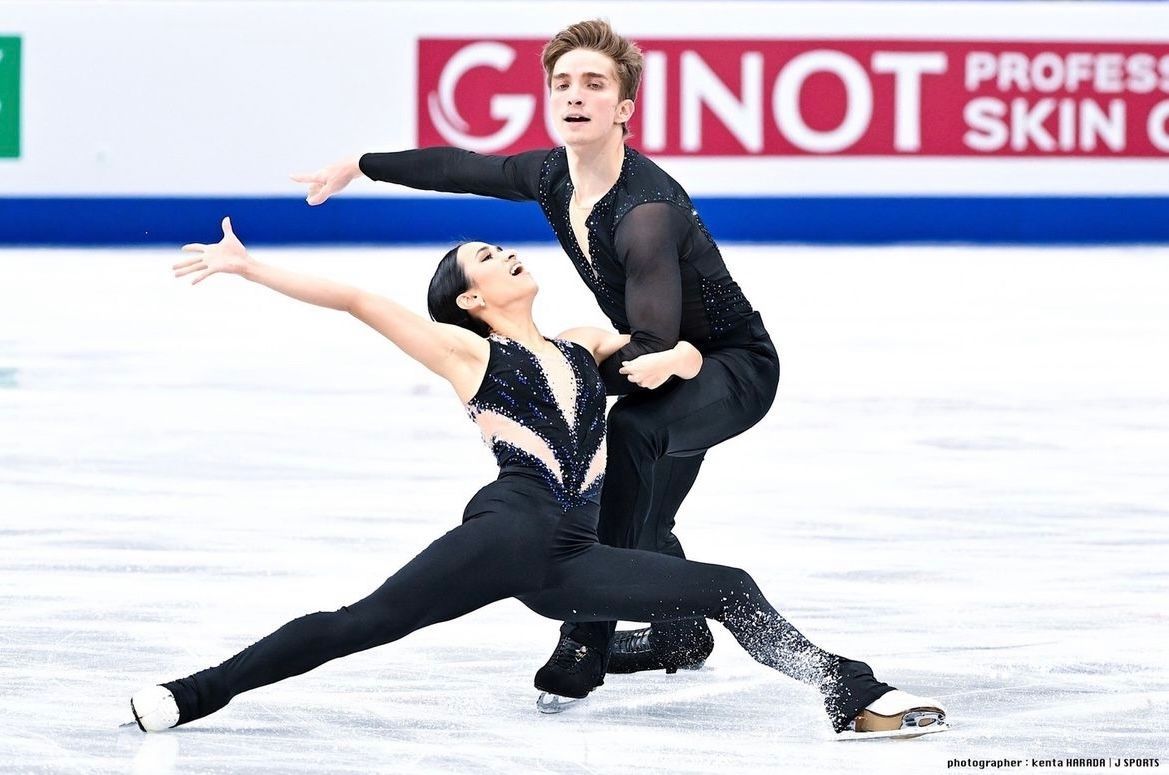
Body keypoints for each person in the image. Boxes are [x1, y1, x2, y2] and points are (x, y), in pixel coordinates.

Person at [127, 218, 947, 739]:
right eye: (484, 258)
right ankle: (194, 692)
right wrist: (249, 266)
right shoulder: (470, 352)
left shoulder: (581, 343)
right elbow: (354, 299)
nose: (504, 253)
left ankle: (846, 692)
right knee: (361, 623)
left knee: (728, 584)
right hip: (505, 529)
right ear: (472, 298)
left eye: (500, 245)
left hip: (568, 555)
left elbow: (675, 359)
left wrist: (684, 355)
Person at [292, 18, 782, 703]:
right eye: (562, 83)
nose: (574, 94)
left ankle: (587, 638)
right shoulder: (554, 176)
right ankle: (680, 633)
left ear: (623, 109)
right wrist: (362, 165)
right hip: (658, 363)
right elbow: (460, 167)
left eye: (594, 83)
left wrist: (556, 368)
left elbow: (648, 351)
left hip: (730, 369)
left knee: (629, 436)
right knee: (645, 514)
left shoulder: (645, 213)